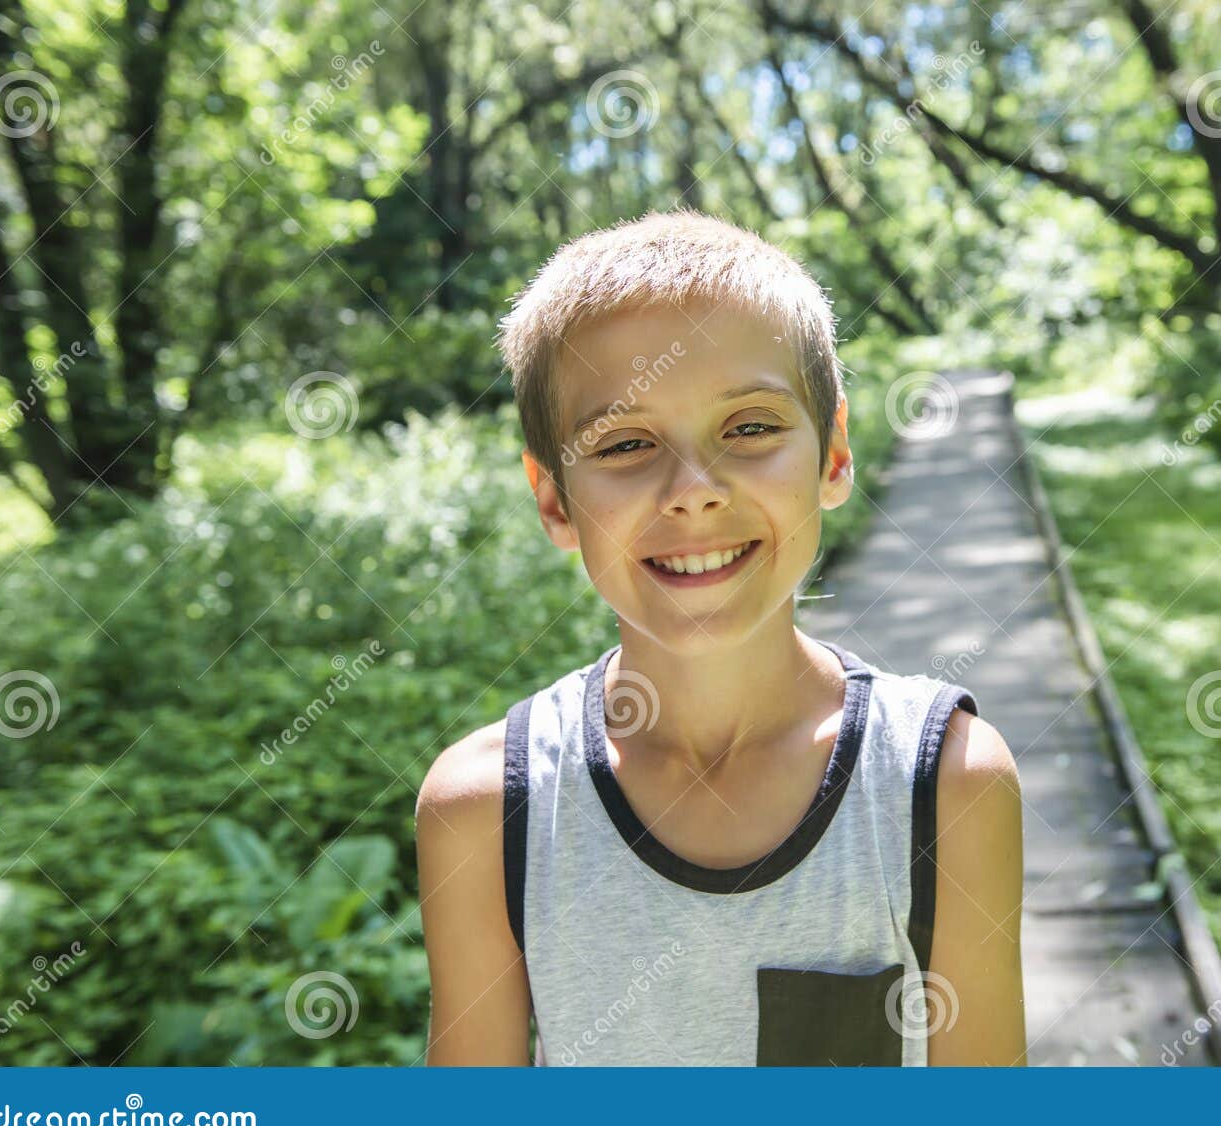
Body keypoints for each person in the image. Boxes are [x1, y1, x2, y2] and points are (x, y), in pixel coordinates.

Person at [415, 208, 1027, 1066]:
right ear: (554, 498)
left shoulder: (945, 783)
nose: (693, 491)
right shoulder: (489, 809)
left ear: (834, 455)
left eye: (750, 427)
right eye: (625, 442)